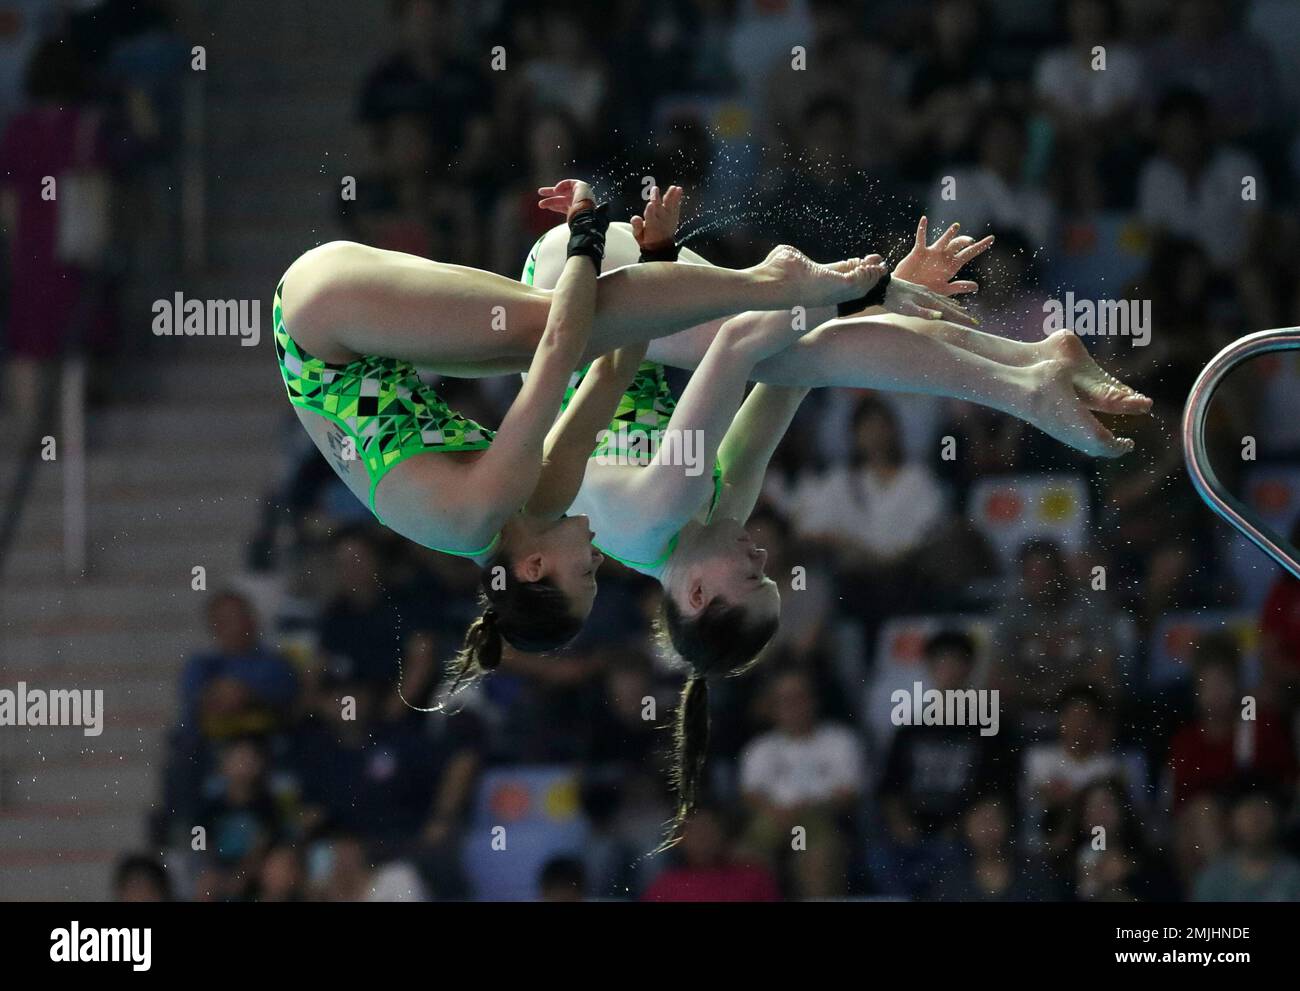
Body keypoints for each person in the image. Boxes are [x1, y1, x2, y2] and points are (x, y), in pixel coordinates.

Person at [276, 179, 884, 664]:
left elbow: (562, 345)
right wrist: (656, 260)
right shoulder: (544, 502)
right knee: (556, 334)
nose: (599, 559)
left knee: (545, 329)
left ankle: (769, 281)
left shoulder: (480, 511)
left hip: (323, 327)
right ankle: (771, 287)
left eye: (585, 577)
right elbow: (610, 374)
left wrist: (584, 235)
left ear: (534, 568)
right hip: (359, 349)